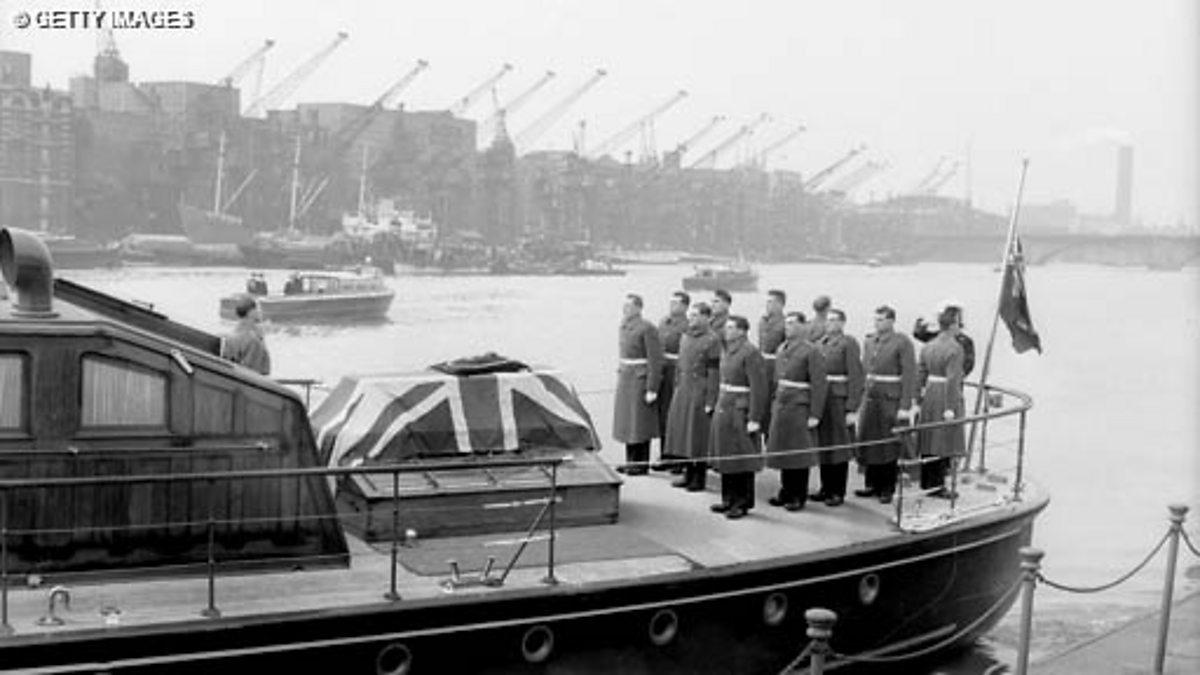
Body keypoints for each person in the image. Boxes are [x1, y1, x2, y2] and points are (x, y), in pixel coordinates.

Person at [765, 312, 827, 511]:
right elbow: (777, 380)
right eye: (786, 323)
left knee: (798, 454)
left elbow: (819, 384)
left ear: (802, 326)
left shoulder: (811, 351)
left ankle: (798, 495)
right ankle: (785, 490)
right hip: (782, 406)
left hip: (800, 406)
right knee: (784, 451)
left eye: (792, 323)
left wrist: (815, 414)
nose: (787, 327)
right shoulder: (781, 348)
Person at [855, 305, 917, 504]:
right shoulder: (869, 341)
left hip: (890, 400)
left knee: (888, 445)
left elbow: (909, 375)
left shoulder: (902, 342)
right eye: (876, 319)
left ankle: (887, 487)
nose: (877, 323)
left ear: (891, 321)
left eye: (881, 319)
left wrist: (905, 406)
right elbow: (864, 371)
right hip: (870, 399)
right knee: (869, 441)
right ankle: (871, 484)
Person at [708, 315, 767, 520]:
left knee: (742, 458)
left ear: (742, 331)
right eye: (727, 327)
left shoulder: (750, 352)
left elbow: (759, 387)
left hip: (740, 409)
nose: (727, 330)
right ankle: (728, 498)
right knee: (727, 456)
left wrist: (755, 417)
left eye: (732, 327)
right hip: (725, 406)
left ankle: (742, 502)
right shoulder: (727, 349)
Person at [665, 302, 722, 492]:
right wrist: (676, 388)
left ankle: (699, 477)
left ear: (706, 317)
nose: (692, 319)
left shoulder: (712, 340)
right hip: (684, 388)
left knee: (698, 435)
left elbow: (715, 372)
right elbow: (680, 366)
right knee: (684, 434)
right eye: (691, 316)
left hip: (700, 388)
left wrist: (711, 399)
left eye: (696, 316)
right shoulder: (685, 337)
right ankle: (688, 473)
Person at [813, 308, 864, 506]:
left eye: (835, 320)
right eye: (829, 320)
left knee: (838, 447)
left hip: (839, 400)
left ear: (842, 323)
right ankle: (825, 488)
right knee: (824, 446)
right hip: (824, 400)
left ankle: (837, 491)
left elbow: (856, 376)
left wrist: (852, 408)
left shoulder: (848, 344)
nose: (830, 323)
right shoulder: (819, 344)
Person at [915, 308, 966, 498]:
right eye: (958, 324)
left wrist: (917, 398)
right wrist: (950, 407)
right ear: (952, 326)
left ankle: (927, 481)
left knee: (929, 437)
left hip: (930, 393)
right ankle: (938, 485)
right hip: (945, 394)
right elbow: (953, 380)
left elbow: (920, 373)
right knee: (943, 439)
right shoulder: (954, 348)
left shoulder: (928, 346)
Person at [612, 293, 665, 475]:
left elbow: (655, 359)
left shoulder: (647, 328)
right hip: (626, 377)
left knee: (640, 423)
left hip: (639, 379)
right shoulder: (624, 326)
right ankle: (630, 461)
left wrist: (652, 387)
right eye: (624, 305)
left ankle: (641, 464)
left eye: (629, 305)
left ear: (638, 308)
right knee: (628, 422)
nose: (624, 308)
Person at [654, 291, 691, 473]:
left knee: (676, 415)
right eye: (671, 302)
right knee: (663, 415)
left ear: (685, 306)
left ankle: (679, 458)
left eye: (676, 303)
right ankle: (665, 454)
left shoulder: (687, 325)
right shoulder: (663, 322)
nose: (672, 306)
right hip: (663, 371)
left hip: (677, 371)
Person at [913, 300, 975, 377]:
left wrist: (958, 375)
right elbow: (919, 334)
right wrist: (923, 322)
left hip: (951, 378)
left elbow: (968, 364)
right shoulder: (937, 337)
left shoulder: (965, 341)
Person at [758, 289, 787, 435]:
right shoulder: (763, 322)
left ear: (780, 304)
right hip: (762, 369)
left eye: (771, 302)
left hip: (775, 369)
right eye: (767, 302)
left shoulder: (784, 324)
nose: (767, 305)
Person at [220, 294, 271, 376]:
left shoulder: (231, 337)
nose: (260, 312)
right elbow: (263, 370)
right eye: (257, 309)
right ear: (251, 312)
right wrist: (261, 339)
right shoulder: (252, 340)